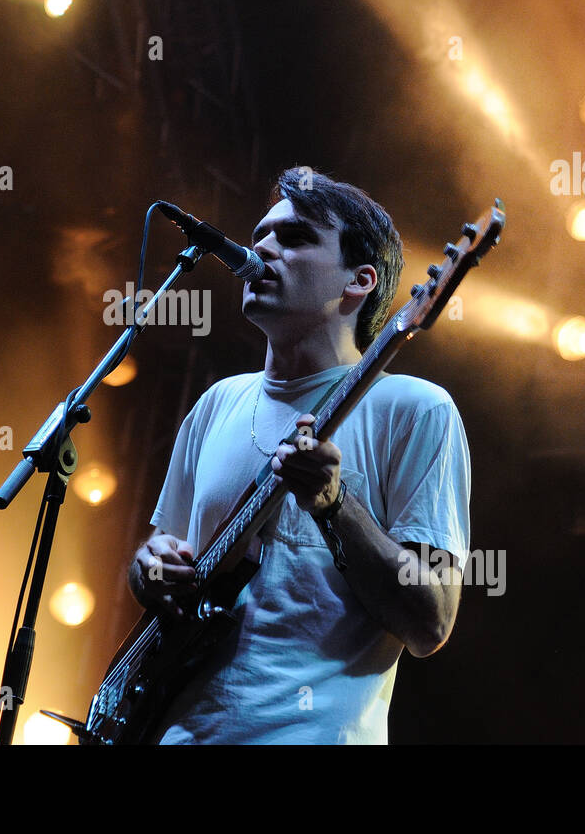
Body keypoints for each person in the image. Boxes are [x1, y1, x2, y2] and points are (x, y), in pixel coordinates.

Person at [126, 166, 471, 744]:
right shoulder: (216, 404)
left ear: (359, 281)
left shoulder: (416, 409)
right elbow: (159, 561)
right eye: (262, 233)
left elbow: (431, 618)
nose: (261, 247)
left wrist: (334, 505)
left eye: (295, 237)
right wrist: (148, 569)